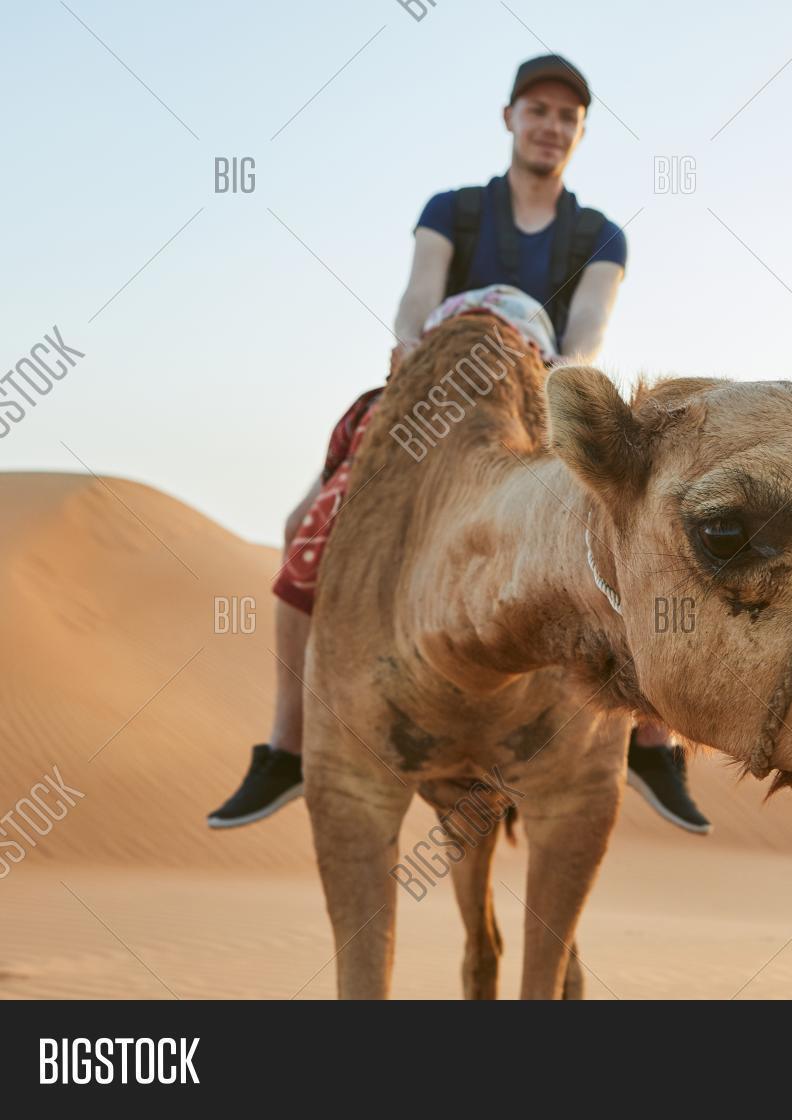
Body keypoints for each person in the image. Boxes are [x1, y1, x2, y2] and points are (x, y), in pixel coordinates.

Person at [208, 55, 710, 836]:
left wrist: (551, 382)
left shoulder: (597, 233)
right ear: (509, 117)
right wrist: (414, 345)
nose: (550, 127)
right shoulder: (453, 211)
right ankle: (288, 747)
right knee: (306, 526)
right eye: (537, 110)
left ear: (579, 133)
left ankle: (652, 737)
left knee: (624, 525)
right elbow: (416, 299)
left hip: (539, 394)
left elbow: (587, 338)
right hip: (435, 396)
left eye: (566, 117)